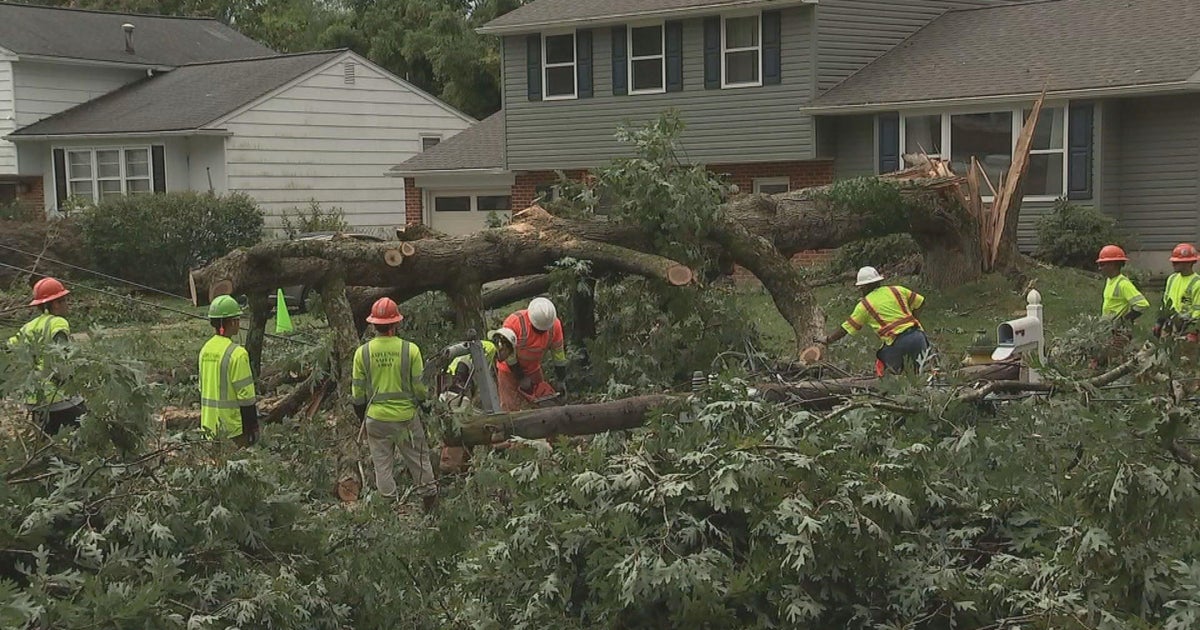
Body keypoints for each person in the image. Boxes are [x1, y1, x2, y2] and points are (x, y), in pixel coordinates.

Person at [352, 297, 437, 512]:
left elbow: (357, 392)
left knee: (382, 466)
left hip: (376, 418)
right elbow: (420, 388)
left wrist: (363, 414)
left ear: (373, 325)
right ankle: (430, 507)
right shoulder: (411, 350)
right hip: (405, 417)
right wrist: (424, 404)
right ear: (396, 323)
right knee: (419, 460)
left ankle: (388, 512)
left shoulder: (362, 353)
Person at [817, 266, 930, 377]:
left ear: (864, 287)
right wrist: (914, 318)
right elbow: (920, 302)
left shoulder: (865, 305)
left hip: (898, 343)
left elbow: (846, 328)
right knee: (923, 375)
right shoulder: (897, 290)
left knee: (890, 380)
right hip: (918, 336)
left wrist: (828, 339)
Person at [8, 277, 86, 434]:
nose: (67, 304)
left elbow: (10, 349)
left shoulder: (27, 327)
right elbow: (62, 357)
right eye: (64, 300)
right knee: (86, 432)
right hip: (59, 397)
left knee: (47, 446)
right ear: (55, 303)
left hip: (34, 399)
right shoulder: (58, 323)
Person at [198, 295, 259, 445]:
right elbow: (246, 398)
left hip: (208, 428)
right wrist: (252, 428)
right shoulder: (237, 354)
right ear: (232, 322)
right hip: (232, 429)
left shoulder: (205, 350)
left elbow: (202, 388)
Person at [497, 297, 567, 412]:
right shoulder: (514, 323)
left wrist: (561, 379)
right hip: (508, 371)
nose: (541, 333)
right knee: (510, 408)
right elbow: (508, 355)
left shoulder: (555, 326)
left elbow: (558, 354)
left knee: (542, 405)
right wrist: (520, 377)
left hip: (533, 369)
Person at [441, 328, 517, 410]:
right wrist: (460, 381)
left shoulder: (489, 354)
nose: (506, 357)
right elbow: (467, 360)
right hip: (457, 378)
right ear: (504, 346)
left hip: (454, 378)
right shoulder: (489, 347)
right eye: (508, 353)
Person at [1154, 243, 1200, 341]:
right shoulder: (1172, 278)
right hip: (1168, 326)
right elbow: (1165, 303)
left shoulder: (1197, 283)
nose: (1173, 264)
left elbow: (1198, 310)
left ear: (1189, 263)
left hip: (1187, 328)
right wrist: (1159, 322)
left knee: (1184, 355)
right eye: (1174, 261)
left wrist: (1193, 331)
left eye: (1177, 262)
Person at [1096, 245, 1149, 322]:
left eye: (1102, 264)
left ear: (1113, 265)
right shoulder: (1109, 280)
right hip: (1108, 328)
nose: (1099, 268)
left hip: (1117, 330)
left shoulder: (1123, 284)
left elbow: (1142, 304)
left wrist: (1124, 320)